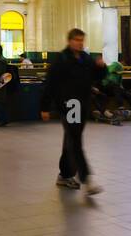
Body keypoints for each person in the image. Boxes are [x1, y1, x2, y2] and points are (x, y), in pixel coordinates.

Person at [40, 28, 105, 195]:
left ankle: (64, 174)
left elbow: (96, 76)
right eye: (77, 40)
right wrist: (44, 107)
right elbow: (50, 84)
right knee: (75, 141)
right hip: (70, 105)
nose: (80, 43)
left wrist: (101, 67)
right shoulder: (61, 59)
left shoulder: (85, 58)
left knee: (71, 139)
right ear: (69, 41)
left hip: (83, 104)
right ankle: (86, 180)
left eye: (82, 40)